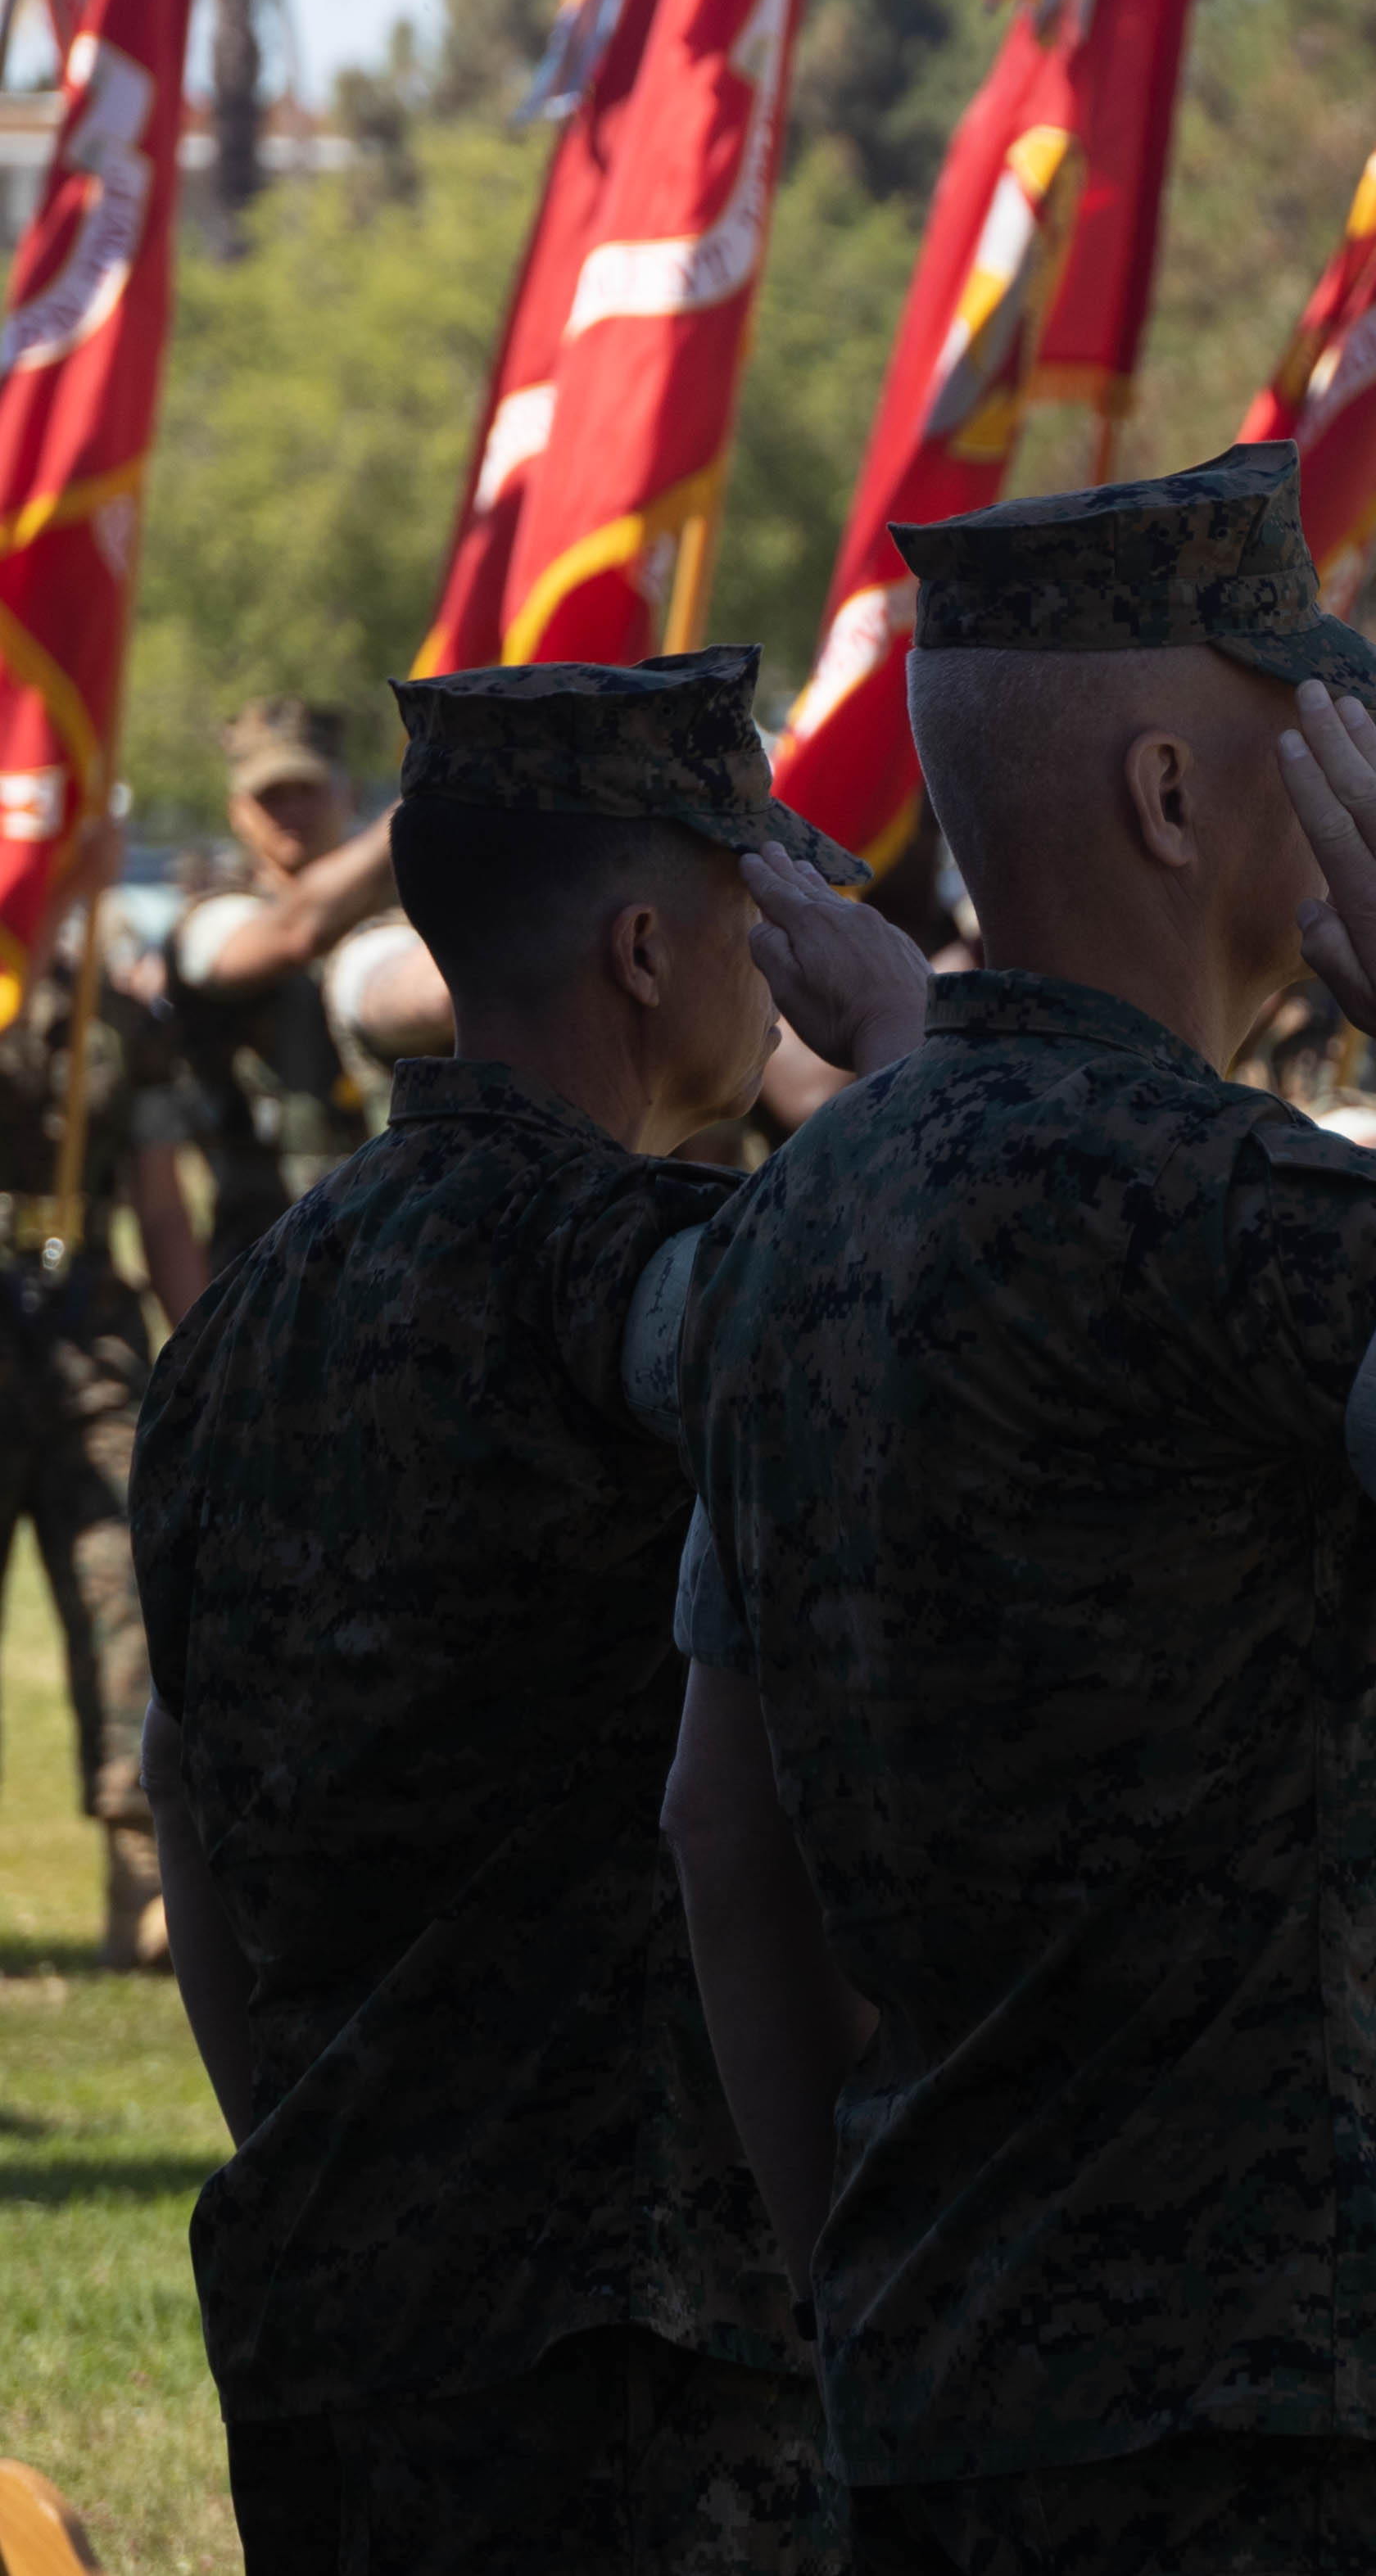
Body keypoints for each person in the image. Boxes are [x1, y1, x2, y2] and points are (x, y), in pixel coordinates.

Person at [660, 449, 1376, 2568]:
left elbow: (720, 1825)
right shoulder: (1236, 1210)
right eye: (1313, 741)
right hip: (1297, 2403)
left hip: (945, 2371)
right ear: (1172, 797)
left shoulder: (805, 1219)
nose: (1358, 794)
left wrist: (857, 2262)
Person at [135, 649, 919, 2569]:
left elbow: (189, 1804)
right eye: (750, 914)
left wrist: (332, 2147)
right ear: (647, 951)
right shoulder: (640, 1278)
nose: (775, 963)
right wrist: (913, 1081)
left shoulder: (239, 1323)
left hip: (340, 2301)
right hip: (637, 2338)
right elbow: (971, 1321)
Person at [0, 817, 204, 1966]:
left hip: (86, 1328)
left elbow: (164, 1208)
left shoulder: (120, 1020)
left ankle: (141, 1878)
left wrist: (208, 1351)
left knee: (124, 1589)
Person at [157, 700, 417, 1258]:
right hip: (264, 1263)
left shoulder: (410, 916)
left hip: (398, 1248)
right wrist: (418, 807)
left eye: (308, 788)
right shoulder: (211, 918)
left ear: (348, 797)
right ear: (235, 811)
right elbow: (293, 933)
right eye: (270, 795)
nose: (290, 809)